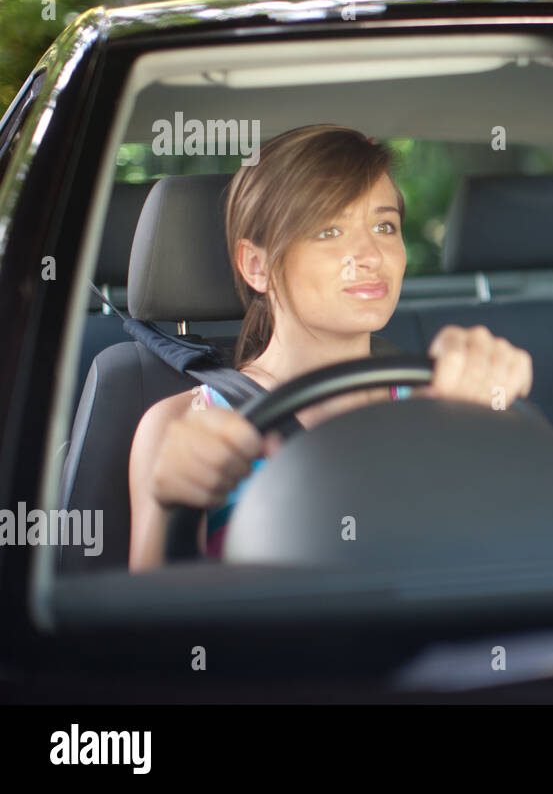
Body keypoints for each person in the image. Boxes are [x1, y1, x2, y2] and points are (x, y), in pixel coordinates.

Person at [128, 125, 532, 570]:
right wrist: (173, 508)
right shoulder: (183, 424)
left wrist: (489, 423)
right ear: (257, 265)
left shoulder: (444, 402)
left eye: (384, 225)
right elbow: (148, 634)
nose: (370, 255)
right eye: (327, 231)